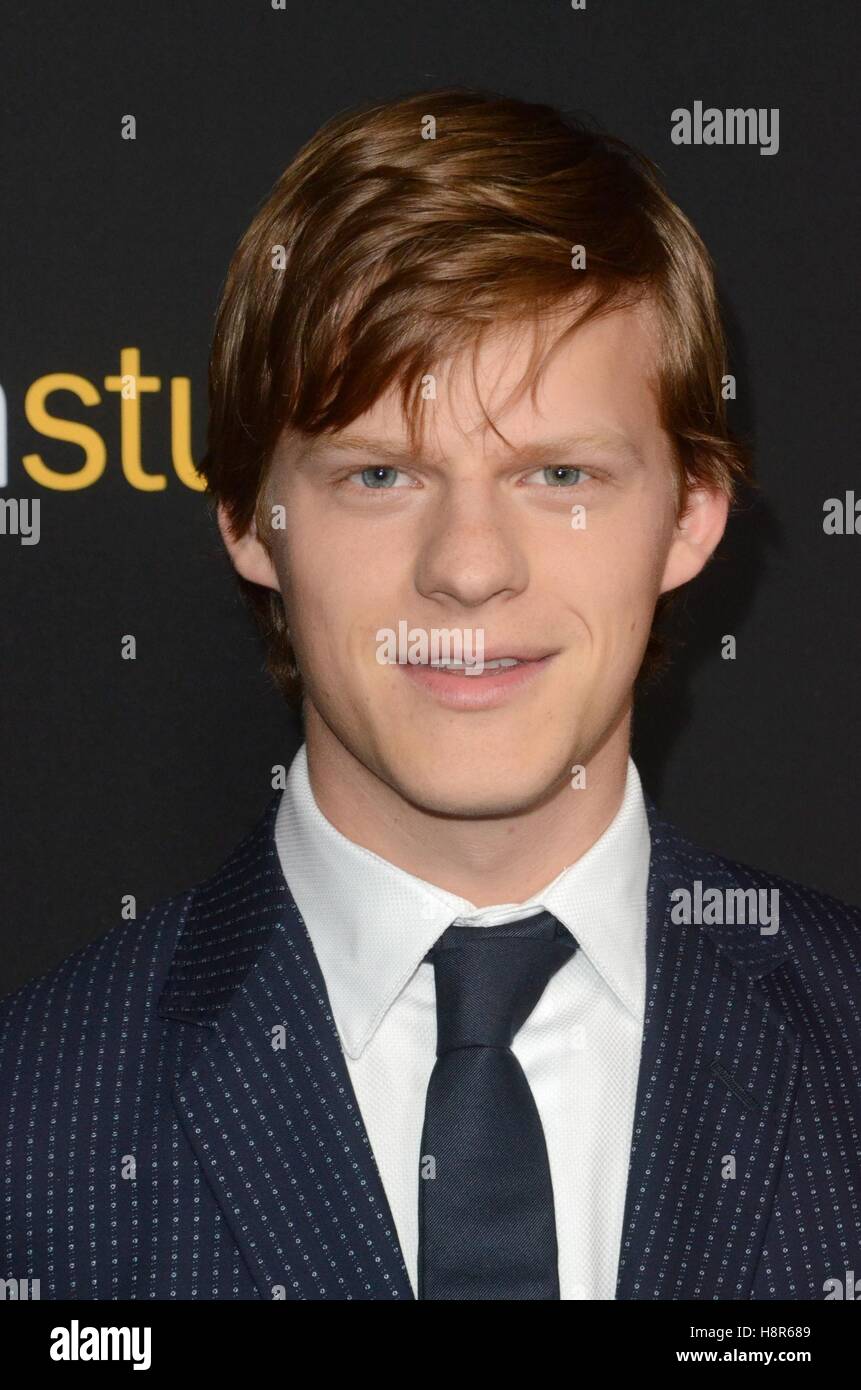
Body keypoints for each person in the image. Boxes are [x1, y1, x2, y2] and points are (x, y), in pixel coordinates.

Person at [2, 88, 859, 1302]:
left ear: (693, 517)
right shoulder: (32, 1130)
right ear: (250, 518)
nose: (467, 567)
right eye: (380, 474)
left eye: (559, 472)